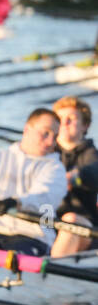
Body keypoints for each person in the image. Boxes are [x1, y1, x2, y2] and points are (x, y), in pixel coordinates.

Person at [0, 107, 68, 255]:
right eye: (45, 133)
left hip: (33, 236)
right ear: (27, 129)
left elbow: (45, 198)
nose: (51, 141)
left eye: (55, 136)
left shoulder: (56, 169)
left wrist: (16, 202)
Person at [53, 96, 97, 253]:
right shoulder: (45, 151)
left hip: (84, 225)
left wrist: (74, 177)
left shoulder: (90, 154)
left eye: (71, 119)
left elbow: (94, 172)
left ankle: (52, 272)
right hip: (47, 220)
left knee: (70, 221)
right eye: (59, 119)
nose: (64, 123)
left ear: (85, 125)